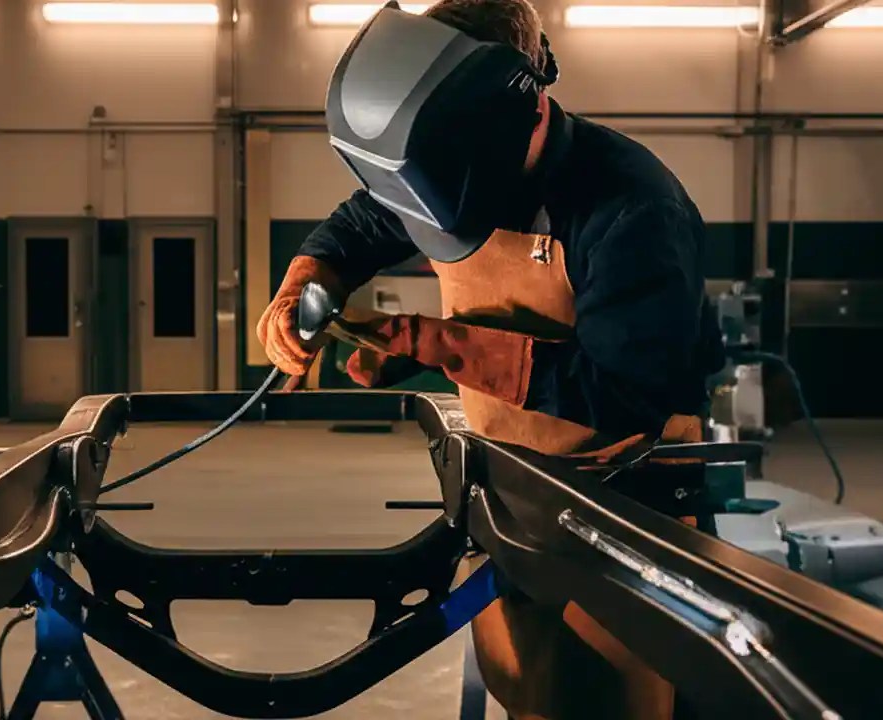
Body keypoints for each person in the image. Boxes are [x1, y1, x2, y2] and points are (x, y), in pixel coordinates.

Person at [256, 1, 725, 718]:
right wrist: (303, 285)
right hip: (511, 494)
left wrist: (437, 346)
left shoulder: (631, 209)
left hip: (626, 512)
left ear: (527, 104)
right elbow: (363, 220)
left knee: (609, 703)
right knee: (525, 695)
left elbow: (625, 392)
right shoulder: (450, 156)